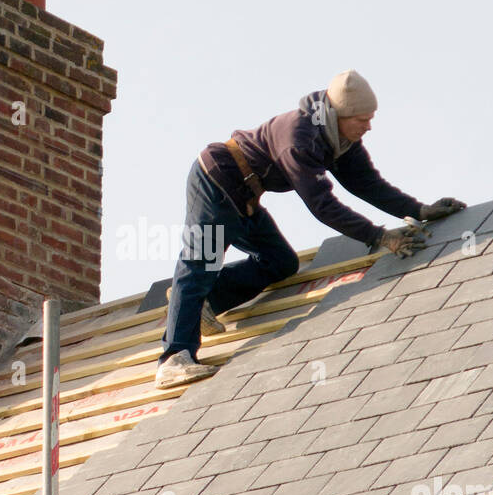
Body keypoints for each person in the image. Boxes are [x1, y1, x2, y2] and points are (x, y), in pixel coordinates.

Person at [154, 69, 466, 388]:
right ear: (341, 114)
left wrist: (417, 210)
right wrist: (379, 236)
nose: (368, 126)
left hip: (244, 192)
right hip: (217, 181)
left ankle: (209, 301)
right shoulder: (299, 137)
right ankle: (174, 358)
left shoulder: (340, 139)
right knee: (201, 261)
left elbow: (367, 183)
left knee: (280, 262)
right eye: (362, 119)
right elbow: (322, 205)